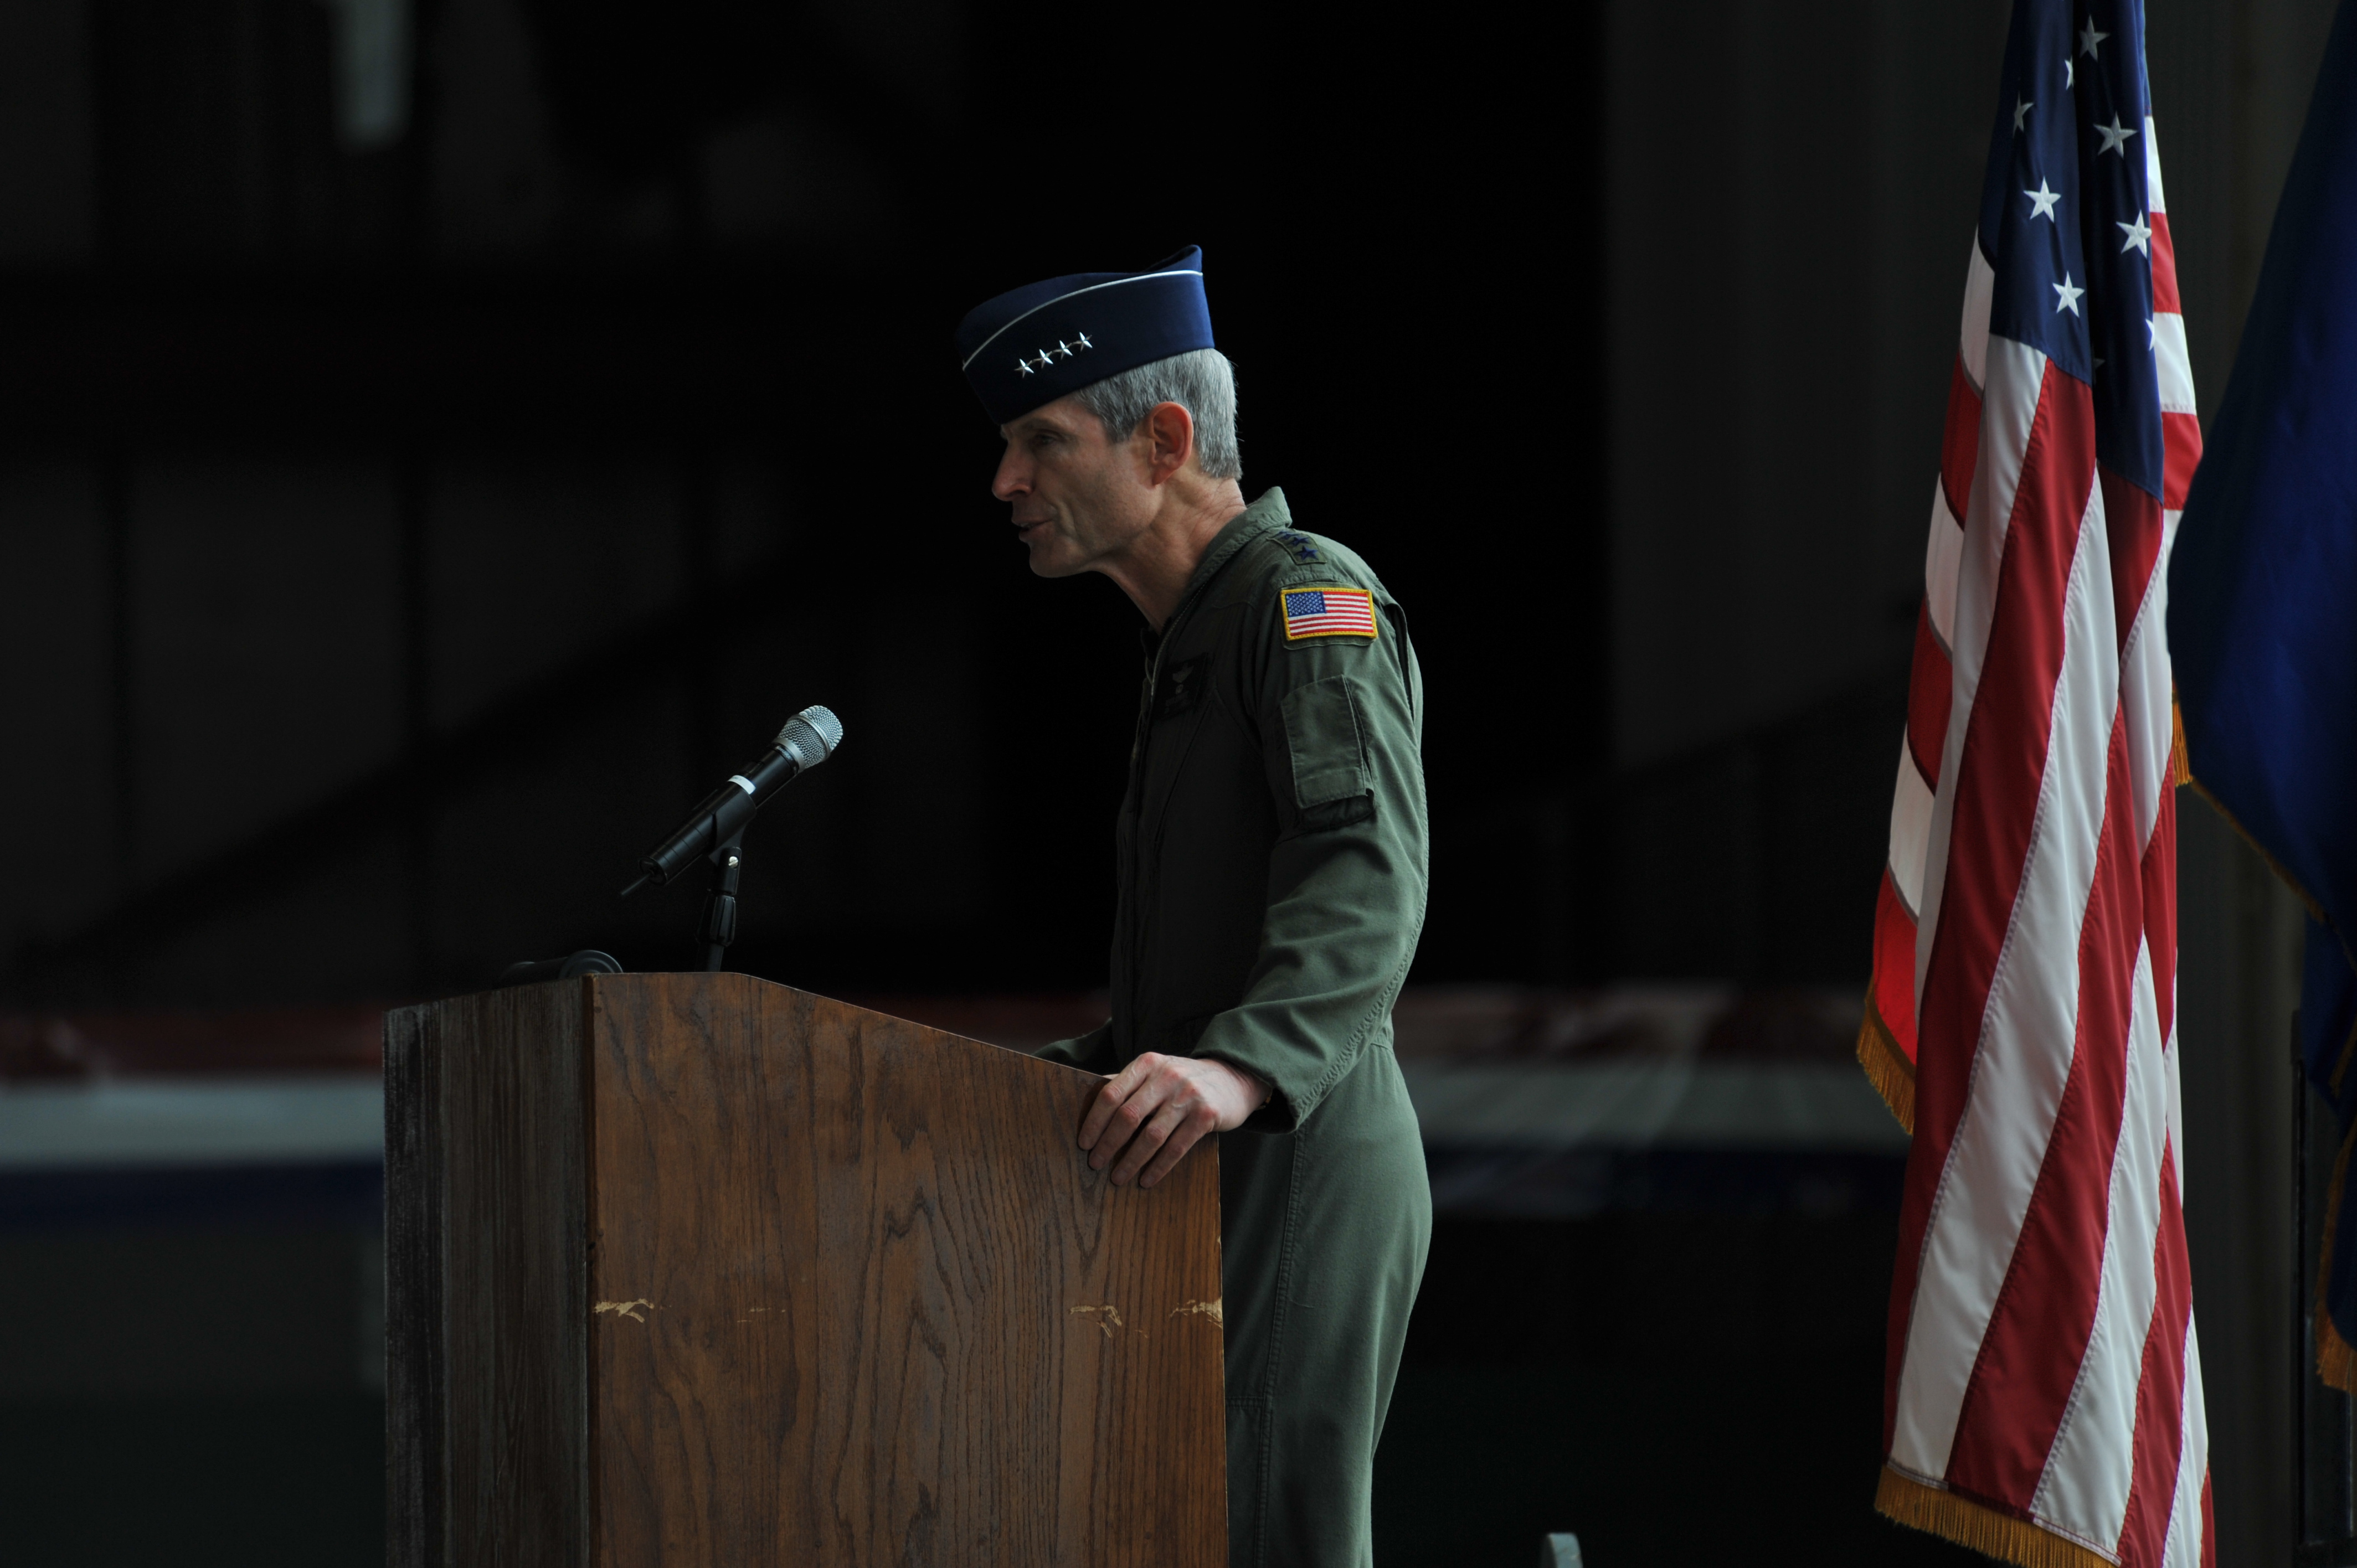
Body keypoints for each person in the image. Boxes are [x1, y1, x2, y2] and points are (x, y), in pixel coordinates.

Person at [954, 247, 1432, 1568]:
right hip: (1219, 1143)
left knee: (1263, 1529)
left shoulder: (1299, 596)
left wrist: (1240, 1066)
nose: (1005, 481)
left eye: (1039, 440)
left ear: (1163, 440)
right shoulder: (1195, 640)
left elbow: (1365, 868)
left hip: (1295, 1143)